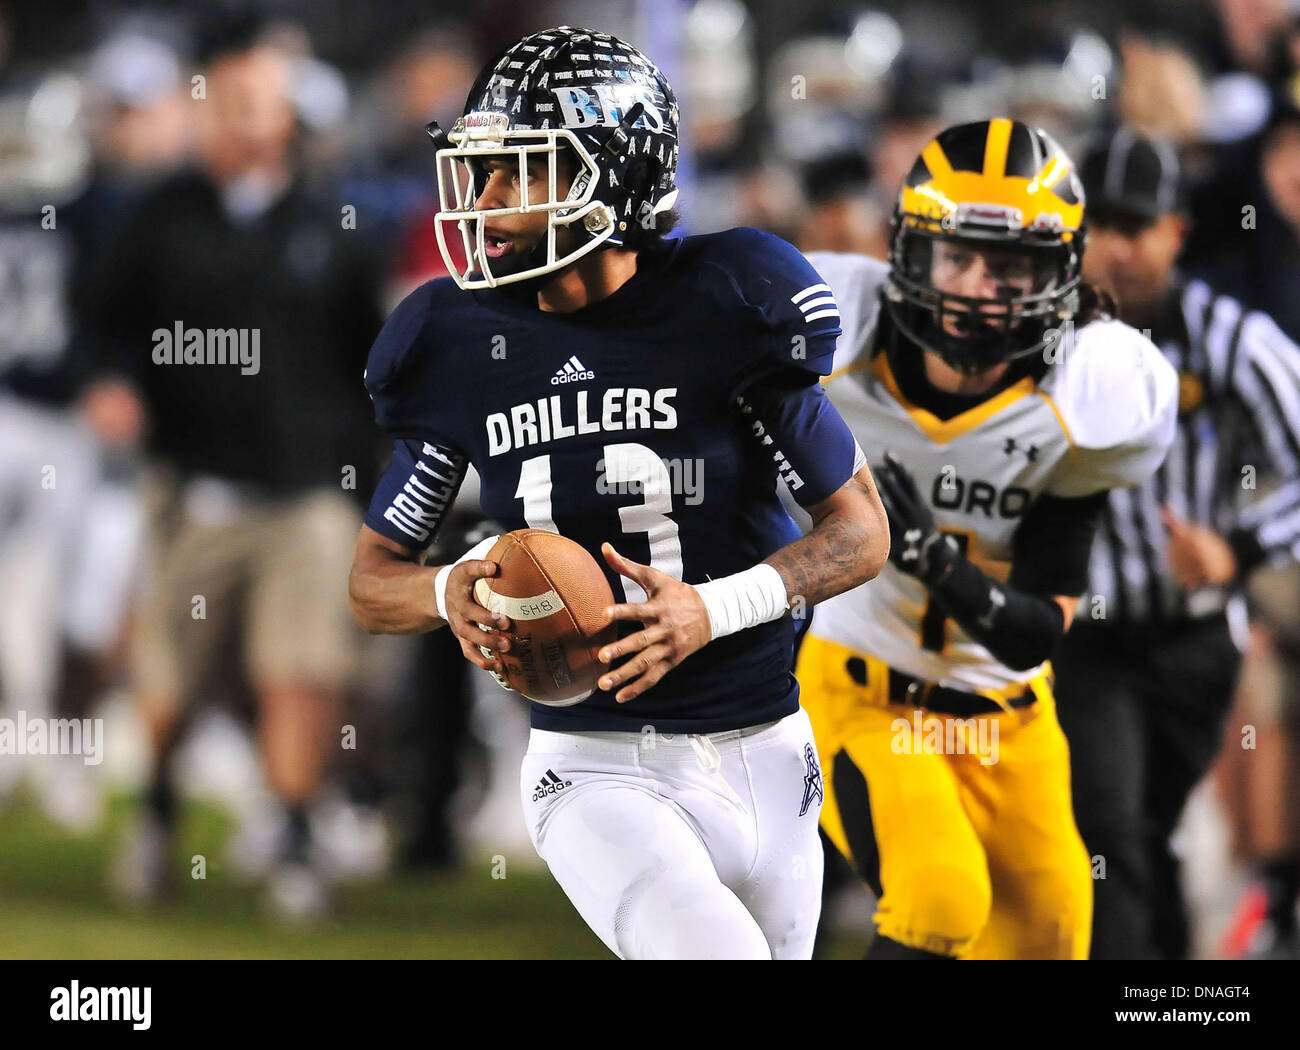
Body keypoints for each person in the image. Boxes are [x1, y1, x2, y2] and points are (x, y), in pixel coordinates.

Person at [347, 25, 889, 960]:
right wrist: (451, 591)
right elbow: (372, 580)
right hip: (592, 763)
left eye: (519, 172)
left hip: (770, 749)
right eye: (482, 173)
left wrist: (712, 610)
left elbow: (860, 533)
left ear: (611, 172)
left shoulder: (732, 299)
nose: (485, 203)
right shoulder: (459, 341)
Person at [796, 118, 1179, 959]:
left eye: (1009, 267)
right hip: (863, 693)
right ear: (908, 254)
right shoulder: (834, 330)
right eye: (957, 257)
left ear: (1059, 277)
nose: (977, 286)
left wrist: (932, 558)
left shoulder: (1091, 393)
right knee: (939, 896)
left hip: (1008, 715)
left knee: (1050, 936)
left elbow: (1031, 631)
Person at [90, 24, 383, 916]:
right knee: (169, 677)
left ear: (285, 110)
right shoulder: (158, 215)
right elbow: (100, 321)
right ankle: (158, 810)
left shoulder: (334, 222)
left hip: (305, 488)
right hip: (192, 481)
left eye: (256, 99)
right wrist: (107, 383)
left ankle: (293, 831)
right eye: (226, 98)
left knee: (300, 668)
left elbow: (370, 360)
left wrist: (371, 483)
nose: (241, 118)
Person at [1054, 126, 1300, 959]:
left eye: (1138, 227)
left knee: (1144, 835)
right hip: (1083, 632)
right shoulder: (1040, 335)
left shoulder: (1230, 338)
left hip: (1195, 637)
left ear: (1177, 232)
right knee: (1108, 828)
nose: (1118, 250)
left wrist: (1239, 548)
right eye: (1102, 227)